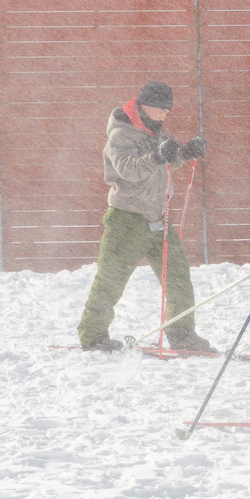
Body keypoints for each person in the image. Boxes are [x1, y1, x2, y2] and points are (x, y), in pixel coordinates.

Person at [75, 81, 214, 353]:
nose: (164, 115)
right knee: (111, 279)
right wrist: (158, 157)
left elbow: (165, 161)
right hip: (127, 219)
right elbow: (129, 170)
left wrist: (184, 153)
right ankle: (93, 334)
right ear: (145, 105)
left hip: (158, 218)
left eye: (167, 111)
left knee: (178, 278)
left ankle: (181, 333)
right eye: (161, 109)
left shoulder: (155, 131)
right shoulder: (121, 135)